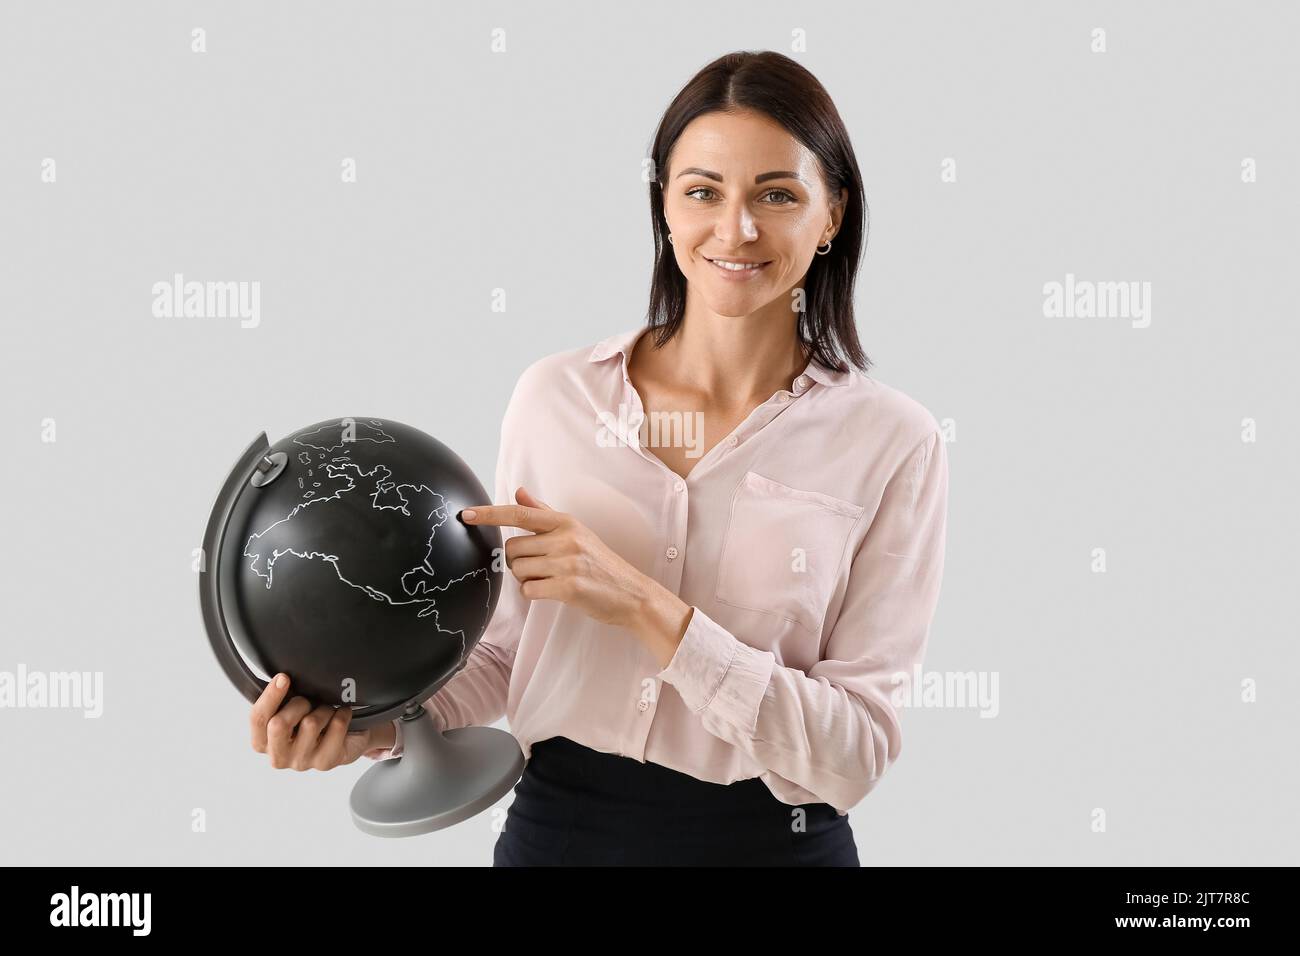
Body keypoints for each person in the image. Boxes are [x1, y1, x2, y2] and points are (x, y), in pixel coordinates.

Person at [250, 50, 949, 867]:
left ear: (831, 215)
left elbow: (857, 750)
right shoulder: (555, 399)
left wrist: (649, 608)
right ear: (664, 206)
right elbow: (507, 655)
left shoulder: (894, 441)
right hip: (560, 838)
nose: (737, 229)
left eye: (778, 194)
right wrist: (372, 727)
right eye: (702, 191)